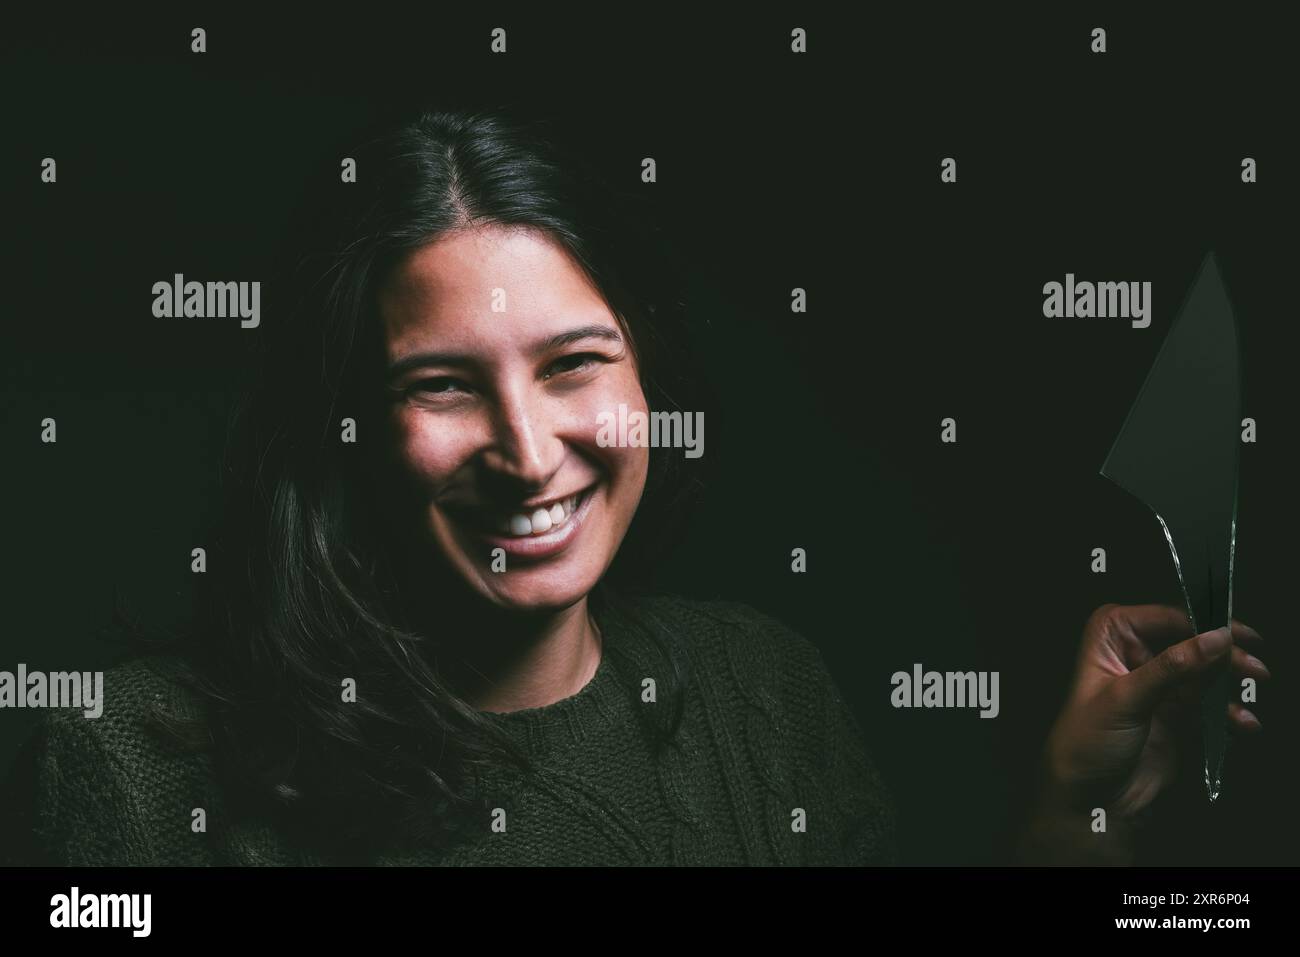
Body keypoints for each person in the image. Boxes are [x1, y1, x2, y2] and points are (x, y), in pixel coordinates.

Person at [0, 108, 1268, 867]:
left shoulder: (761, 692)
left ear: (648, 374)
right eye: (441, 384)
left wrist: (1068, 824)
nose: (527, 450)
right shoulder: (136, 765)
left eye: (573, 365)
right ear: (344, 425)